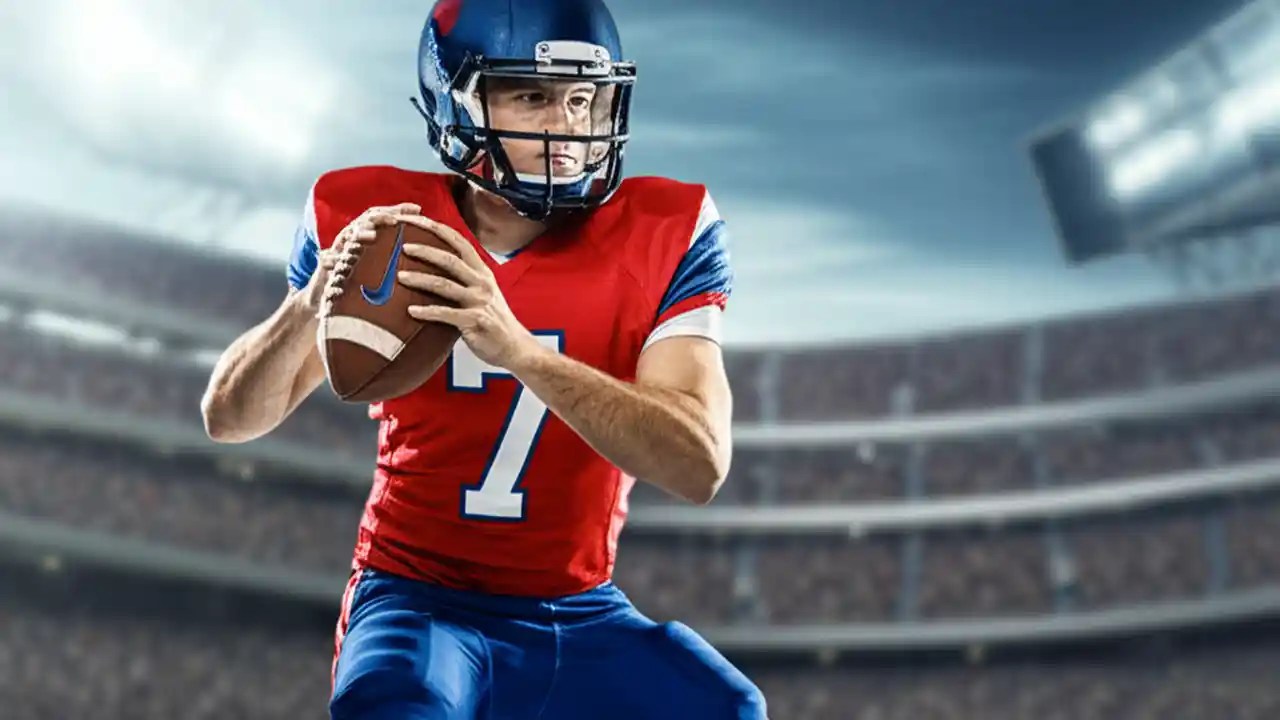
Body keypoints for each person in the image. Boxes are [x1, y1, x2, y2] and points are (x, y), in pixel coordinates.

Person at [200, 0, 766, 717]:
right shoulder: (382, 228)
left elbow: (699, 463)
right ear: (456, 98)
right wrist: (312, 301)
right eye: (533, 95)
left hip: (578, 610)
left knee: (727, 709)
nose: (566, 126)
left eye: (583, 97)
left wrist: (520, 351)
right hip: (418, 599)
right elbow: (230, 418)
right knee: (396, 706)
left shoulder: (665, 231)